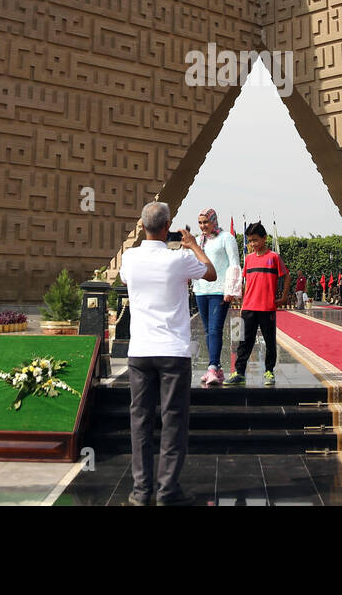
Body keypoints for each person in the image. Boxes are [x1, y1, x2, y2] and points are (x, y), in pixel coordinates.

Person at [120, 201, 216, 505]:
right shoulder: (179, 259)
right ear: (167, 227)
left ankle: (140, 491)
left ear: (142, 225)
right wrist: (192, 245)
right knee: (173, 422)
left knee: (140, 422)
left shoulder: (129, 258)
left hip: (139, 352)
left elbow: (126, 278)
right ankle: (167, 491)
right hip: (173, 352)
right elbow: (211, 274)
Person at [226, 222, 287, 387]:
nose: (252, 244)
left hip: (267, 308)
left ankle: (269, 371)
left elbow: (286, 276)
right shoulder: (249, 259)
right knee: (244, 341)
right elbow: (247, 283)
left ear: (264, 238)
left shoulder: (274, 257)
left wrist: (283, 298)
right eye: (249, 241)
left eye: (255, 240)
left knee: (269, 341)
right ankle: (239, 372)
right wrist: (243, 304)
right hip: (248, 308)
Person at [193, 208, 241, 387]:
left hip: (219, 291)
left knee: (214, 329)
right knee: (207, 330)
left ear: (214, 220)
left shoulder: (226, 238)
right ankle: (218, 368)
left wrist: (231, 290)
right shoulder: (198, 241)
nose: (203, 226)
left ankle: (212, 367)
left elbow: (234, 263)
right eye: (200, 222)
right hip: (200, 290)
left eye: (206, 222)